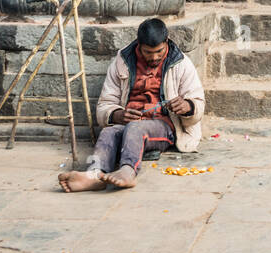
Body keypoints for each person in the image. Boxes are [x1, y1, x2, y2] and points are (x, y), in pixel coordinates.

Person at [58, 17, 205, 192]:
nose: (154, 57)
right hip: (128, 123)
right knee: (108, 132)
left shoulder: (181, 63)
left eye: (159, 51)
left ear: (166, 42)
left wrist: (187, 106)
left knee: (135, 128)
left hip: (164, 125)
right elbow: (105, 103)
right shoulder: (123, 60)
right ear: (139, 45)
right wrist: (118, 115)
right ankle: (94, 174)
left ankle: (128, 171)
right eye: (148, 52)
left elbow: (198, 102)